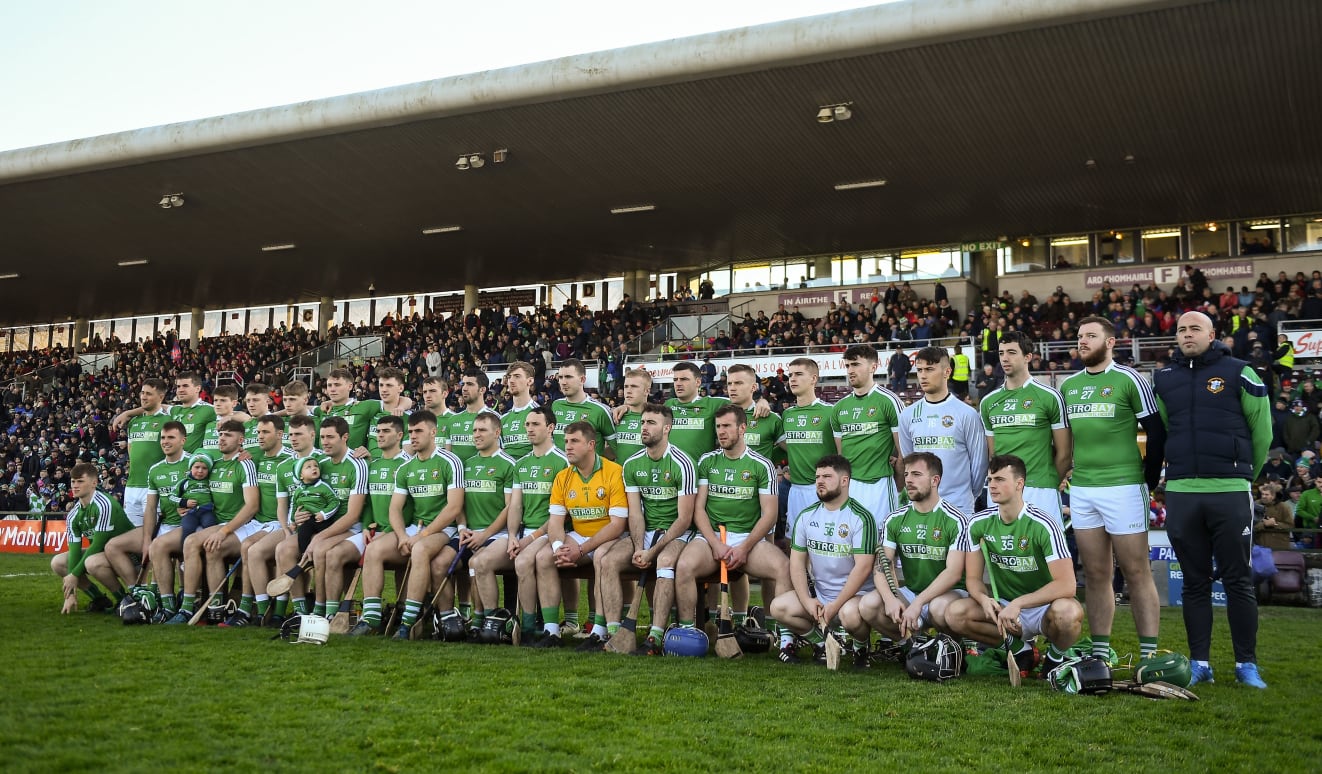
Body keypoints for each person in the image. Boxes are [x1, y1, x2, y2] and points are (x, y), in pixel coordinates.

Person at [1153, 310, 1272, 688]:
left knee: (1238, 580)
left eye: (1195, 328)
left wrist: (1243, 476)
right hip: (1182, 492)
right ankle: (1200, 663)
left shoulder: (1241, 372)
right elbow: (1165, 429)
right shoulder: (1163, 379)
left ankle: (1246, 665)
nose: (1187, 334)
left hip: (1230, 491)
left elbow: (1262, 433)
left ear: (1212, 334)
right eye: (1181, 329)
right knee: (1194, 582)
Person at [1060, 316, 1166, 660]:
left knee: (1136, 570)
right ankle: (1100, 653)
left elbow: (1156, 432)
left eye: (1091, 335)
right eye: (1079, 336)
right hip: (1083, 489)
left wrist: (1149, 479)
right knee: (1095, 573)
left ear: (1110, 342)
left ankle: (1148, 655)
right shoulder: (1069, 386)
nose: (1082, 341)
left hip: (1124, 486)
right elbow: (1065, 440)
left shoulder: (1130, 379)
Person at [947, 455, 1083, 677]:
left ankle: (1054, 658)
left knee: (1069, 612)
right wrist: (984, 599)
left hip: (1043, 608)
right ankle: (1022, 650)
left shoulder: (1044, 524)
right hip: (1004, 606)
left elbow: (1067, 585)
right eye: (990, 479)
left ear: (1019, 484)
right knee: (955, 613)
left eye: (1000, 479)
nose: (992, 485)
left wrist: (1019, 603)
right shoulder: (978, 523)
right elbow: (973, 579)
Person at [675, 405, 788, 641]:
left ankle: (785, 638)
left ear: (742, 428)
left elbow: (770, 514)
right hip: (711, 538)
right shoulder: (707, 461)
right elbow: (698, 509)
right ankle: (688, 633)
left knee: (783, 568)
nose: (721, 431)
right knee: (684, 566)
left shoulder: (761, 465)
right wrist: (715, 544)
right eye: (718, 427)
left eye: (727, 426)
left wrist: (744, 548)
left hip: (747, 538)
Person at [597, 403, 697, 654]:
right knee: (608, 561)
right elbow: (635, 513)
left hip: (677, 533)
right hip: (645, 532)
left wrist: (651, 553)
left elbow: (684, 519)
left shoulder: (683, 463)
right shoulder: (632, 464)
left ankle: (655, 636)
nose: (644, 427)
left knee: (664, 561)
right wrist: (639, 547)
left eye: (651, 423)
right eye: (642, 422)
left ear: (667, 428)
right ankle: (614, 633)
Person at [769, 454, 876, 667]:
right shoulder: (806, 516)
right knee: (778, 607)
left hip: (854, 598)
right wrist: (807, 600)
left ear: (844, 481)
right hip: (821, 597)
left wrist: (836, 604)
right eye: (818, 477)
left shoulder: (861, 517)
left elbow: (863, 568)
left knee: (850, 615)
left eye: (827, 476)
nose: (820, 481)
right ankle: (822, 643)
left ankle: (860, 646)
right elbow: (796, 564)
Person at [532, 421, 627, 648]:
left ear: (591, 445)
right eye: (566, 441)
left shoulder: (614, 472)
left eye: (574, 441)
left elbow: (617, 526)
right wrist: (559, 548)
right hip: (579, 535)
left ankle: (599, 631)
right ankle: (551, 631)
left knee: (602, 557)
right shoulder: (563, 477)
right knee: (544, 557)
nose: (568, 446)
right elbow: (555, 522)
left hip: (610, 538)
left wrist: (582, 549)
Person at [858, 452, 969, 643]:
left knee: (938, 608)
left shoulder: (955, 519)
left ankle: (952, 648)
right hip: (911, 592)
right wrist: (890, 599)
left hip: (948, 595)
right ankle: (915, 645)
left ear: (935, 480)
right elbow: (881, 567)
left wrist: (919, 602)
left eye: (916, 475)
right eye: (906, 474)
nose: (908, 480)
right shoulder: (894, 519)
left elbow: (953, 573)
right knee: (868, 605)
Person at [165, 420, 260, 623]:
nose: (222, 438)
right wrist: (184, 505)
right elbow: (195, 487)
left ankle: (212, 608)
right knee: (186, 542)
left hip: (241, 525)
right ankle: (188, 607)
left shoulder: (245, 464)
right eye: (221, 434)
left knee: (207, 546)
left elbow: (252, 506)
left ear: (241, 440)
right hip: (213, 522)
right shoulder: (213, 464)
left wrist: (223, 532)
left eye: (228, 435)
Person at [979, 331, 1070, 526]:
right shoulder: (988, 402)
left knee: (1045, 545)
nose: (1005, 358)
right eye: (1001, 353)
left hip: (1040, 488)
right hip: (1001, 490)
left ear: (1028, 357)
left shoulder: (1049, 397)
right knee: (1002, 545)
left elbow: (1064, 453)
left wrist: (1050, 482)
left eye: (1011, 352)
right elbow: (993, 454)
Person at [389, 411, 466, 640]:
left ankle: (408, 622)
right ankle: (369, 618)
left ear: (433, 432)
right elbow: (394, 509)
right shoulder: (405, 468)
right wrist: (402, 536)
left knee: (420, 550)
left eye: (418, 431)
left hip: (445, 528)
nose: (413, 436)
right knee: (373, 551)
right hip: (416, 528)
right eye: (411, 432)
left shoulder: (450, 462)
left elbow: (454, 508)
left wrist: (421, 537)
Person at [898, 347, 988, 517]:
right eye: (920, 370)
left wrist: (968, 495)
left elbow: (979, 464)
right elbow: (909, 461)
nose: (923, 375)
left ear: (947, 372)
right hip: (921, 507)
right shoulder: (908, 415)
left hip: (959, 506)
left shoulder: (967, 414)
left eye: (929, 369)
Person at [506, 406, 570, 643]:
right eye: (527, 425)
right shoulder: (521, 464)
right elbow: (515, 506)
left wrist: (529, 539)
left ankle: (532, 628)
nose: (530, 429)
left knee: (523, 561)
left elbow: (562, 513)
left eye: (535, 424)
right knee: (490, 562)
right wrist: (512, 535)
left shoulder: (563, 461)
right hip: (526, 532)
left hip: (553, 530)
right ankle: (527, 627)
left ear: (550, 428)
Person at [349, 415, 416, 636]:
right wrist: (367, 526)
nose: (380, 435)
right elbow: (368, 502)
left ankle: (373, 617)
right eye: (378, 431)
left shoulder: (407, 464)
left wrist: (387, 531)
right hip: (377, 531)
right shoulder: (373, 465)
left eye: (386, 431)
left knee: (375, 552)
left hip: (401, 529)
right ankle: (369, 615)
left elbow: (409, 508)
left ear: (399, 436)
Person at [831, 344, 905, 520]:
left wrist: (898, 486)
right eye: (848, 365)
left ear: (873, 367)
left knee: (881, 536)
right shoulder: (839, 407)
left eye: (856, 364)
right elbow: (841, 455)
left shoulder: (889, 401)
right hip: (849, 486)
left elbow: (903, 452)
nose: (850, 370)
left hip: (879, 485)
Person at [459, 412, 518, 635]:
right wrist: (463, 528)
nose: (476, 434)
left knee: (477, 563)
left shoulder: (508, 464)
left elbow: (510, 507)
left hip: (499, 534)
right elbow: (458, 504)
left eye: (482, 430)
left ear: (497, 432)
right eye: (474, 430)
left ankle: (491, 621)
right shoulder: (467, 464)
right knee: (442, 563)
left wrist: (484, 535)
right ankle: (468, 618)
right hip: (469, 533)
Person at [51, 462, 134, 613]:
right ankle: (100, 600)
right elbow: (74, 551)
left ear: (94, 483)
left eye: (80, 481)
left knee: (92, 562)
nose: (75, 486)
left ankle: (126, 601)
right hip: (104, 554)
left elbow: (97, 544)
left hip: (129, 556)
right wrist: (70, 592)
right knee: (58, 562)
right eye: (73, 481)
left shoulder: (104, 504)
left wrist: (74, 574)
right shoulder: (73, 515)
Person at [780, 358, 836, 537]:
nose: (792, 379)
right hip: (795, 489)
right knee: (793, 541)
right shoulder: (787, 414)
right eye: (790, 375)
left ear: (813, 379)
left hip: (821, 489)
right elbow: (787, 445)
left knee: (822, 542)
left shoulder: (830, 411)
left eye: (798, 374)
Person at [142, 422, 192, 616]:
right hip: (166, 525)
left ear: (183, 440)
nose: (165, 441)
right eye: (163, 437)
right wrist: (147, 539)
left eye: (171, 437)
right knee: (154, 548)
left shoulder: (193, 463)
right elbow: (151, 507)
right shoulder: (155, 469)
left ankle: (183, 600)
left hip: (189, 526)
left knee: (168, 551)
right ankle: (166, 604)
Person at [664, 361, 729, 463]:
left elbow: (743, 403)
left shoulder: (713, 404)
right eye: (675, 380)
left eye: (684, 379)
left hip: (701, 470)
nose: (678, 383)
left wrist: (757, 404)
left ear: (698, 382)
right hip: (670, 470)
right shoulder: (668, 404)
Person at [552, 359, 617, 456]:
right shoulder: (555, 405)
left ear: (582, 379)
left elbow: (617, 449)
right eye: (560, 377)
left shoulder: (600, 410)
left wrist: (597, 460)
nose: (563, 382)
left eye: (568, 377)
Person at [443, 368, 501, 463]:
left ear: (482, 389)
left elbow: (499, 455)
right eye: (463, 384)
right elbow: (448, 458)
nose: (464, 388)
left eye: (470, 384)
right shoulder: (452, 420)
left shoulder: (495, 418)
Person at [499, 361, 540, 460]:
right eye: (509, 377)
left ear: (530, 381)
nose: (511, 381)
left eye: (517, 376)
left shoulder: (540, 414)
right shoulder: (503, 419)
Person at [611, 369, 650, 462]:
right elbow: (614, 450)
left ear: (646, 391)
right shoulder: (616, 416)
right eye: (626, 386)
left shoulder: (657, 418)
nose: (628, 391)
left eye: (634, 386)